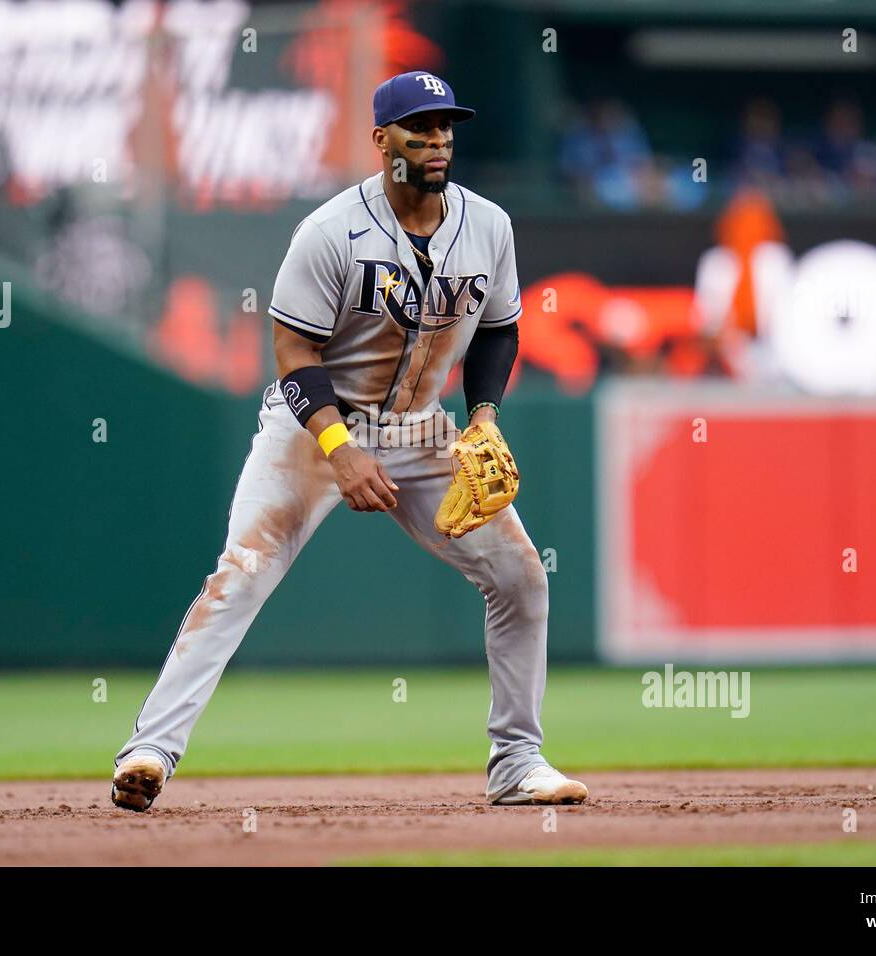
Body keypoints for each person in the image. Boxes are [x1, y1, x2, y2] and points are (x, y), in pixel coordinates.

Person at [110, 71, 588, 811]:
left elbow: (498, 327)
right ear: (381, 141)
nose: (436, 142)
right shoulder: (331, 232)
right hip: (316, 425)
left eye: (444, 128)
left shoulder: (488, 225)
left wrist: (485, 414)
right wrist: (341, 449)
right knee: (242, 572)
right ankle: (150, 750)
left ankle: (517, 764)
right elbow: (294, 355)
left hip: (423, 427)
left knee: (522, 576)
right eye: (418, 129)